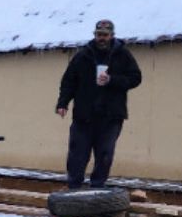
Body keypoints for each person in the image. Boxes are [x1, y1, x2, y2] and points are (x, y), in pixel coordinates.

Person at [55, 19, 141, 189]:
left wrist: (112, 80)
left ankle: (97, 187)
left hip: (111, 116)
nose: (101, 38)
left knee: (104, 154)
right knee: (77, 154)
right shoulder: (83, 55)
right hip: (84, 115)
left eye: (105, 35)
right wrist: (62, 103)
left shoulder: (123, 55)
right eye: (98, 35)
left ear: (112, 36)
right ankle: (73, 186)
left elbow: (136, 78)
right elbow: (69, 81)